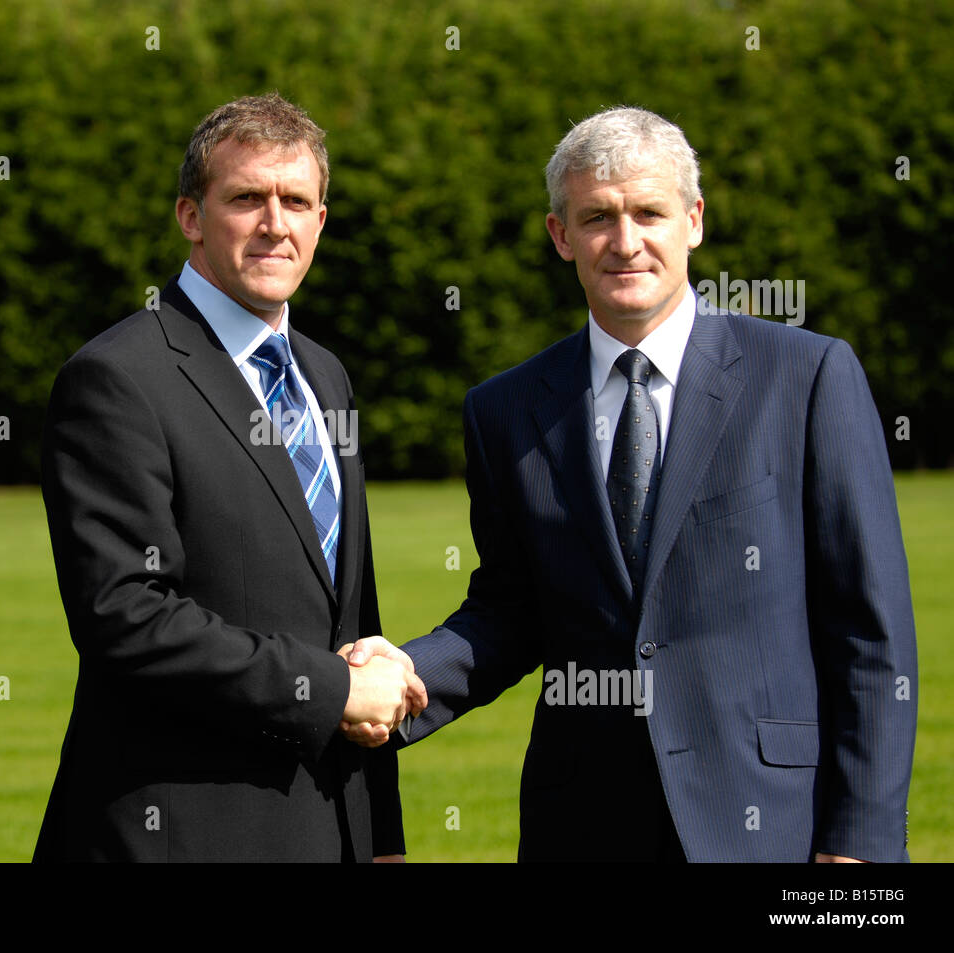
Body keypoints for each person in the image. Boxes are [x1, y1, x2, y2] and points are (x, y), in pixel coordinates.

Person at [342, 106, 918, 862]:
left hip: (771, 821)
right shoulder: (504, 410)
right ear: (560, 235)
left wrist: (860, 843)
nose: (625, 241)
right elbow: (511, 610)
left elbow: (871, 632)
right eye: (597, 217)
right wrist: (408, 674)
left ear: (695, 220)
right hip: (581, 823)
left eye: (649, 212)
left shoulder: (806, 377)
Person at [33, 93, 425, 862]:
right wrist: (333, 691)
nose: (275, 223)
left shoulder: (325, 375)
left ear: (321, 221)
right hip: (183, 831)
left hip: (329, 823)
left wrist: (382, 832)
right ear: (190, 215)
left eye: (297, 201)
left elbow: (352, 617)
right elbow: (126, 617)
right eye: (247, 197)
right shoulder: (117, 379)